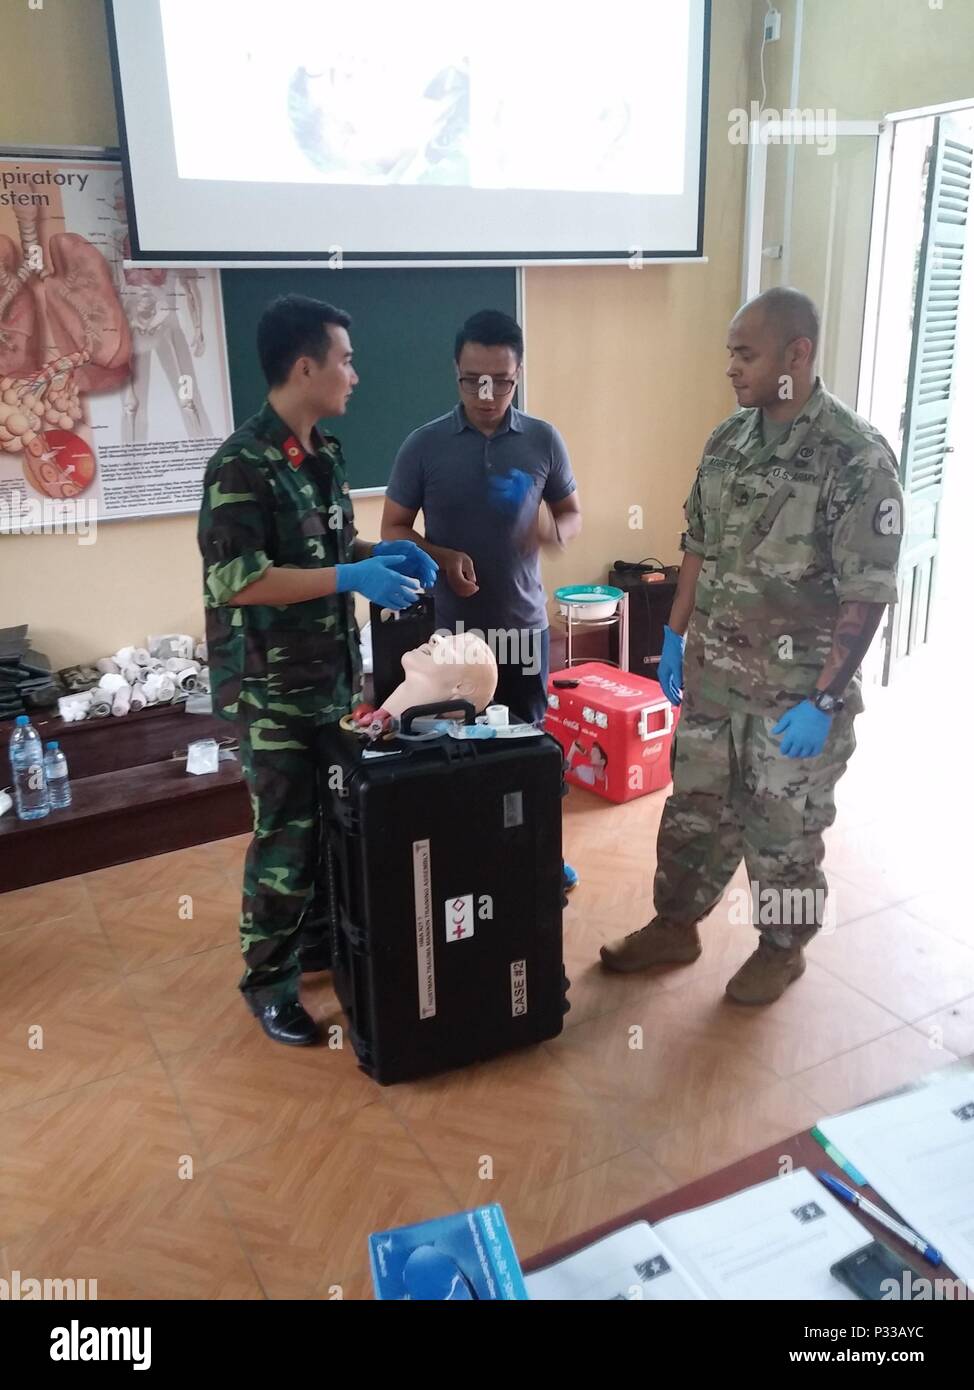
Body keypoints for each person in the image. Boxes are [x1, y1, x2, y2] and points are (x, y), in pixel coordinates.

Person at [601, 287, 904, 1004]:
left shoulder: (856, 459)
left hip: (795, 697)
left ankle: (782, 949)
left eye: (746, 353)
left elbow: (867, 594)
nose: (731, 368)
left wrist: (824, 701)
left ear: (796, 355)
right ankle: (675, 925)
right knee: (695, 814)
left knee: (784, 835)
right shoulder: (727, 441)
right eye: (730, 352)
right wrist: (673, 638)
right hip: (713, 680)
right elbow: (697, 548)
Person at [197, 295, 436, 1045]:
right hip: (270, 694)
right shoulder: (240, 465)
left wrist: (378, 556)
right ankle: (266, 985)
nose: (355, 376)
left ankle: (315, 945)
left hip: (331, 680)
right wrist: (347, 581)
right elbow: (237, 579)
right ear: (305, 367)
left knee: (332, 825)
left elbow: (327, 554)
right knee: (286, 839)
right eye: (345, 360)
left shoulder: (320, 455)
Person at [381, 308, 583, 888]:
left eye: (502, 380)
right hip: (457, 640)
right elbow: (392, 527)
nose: (488, 393)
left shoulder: (543, 440)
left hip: (523, 631)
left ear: (519, 374)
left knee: (531, 751)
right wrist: (442, 557)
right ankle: (475, 865)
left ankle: (539, 855)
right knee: (461, 754)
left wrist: (554, 532)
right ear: (456, 373)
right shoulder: (425, 446)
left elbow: (570, 512)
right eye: (474, 380)